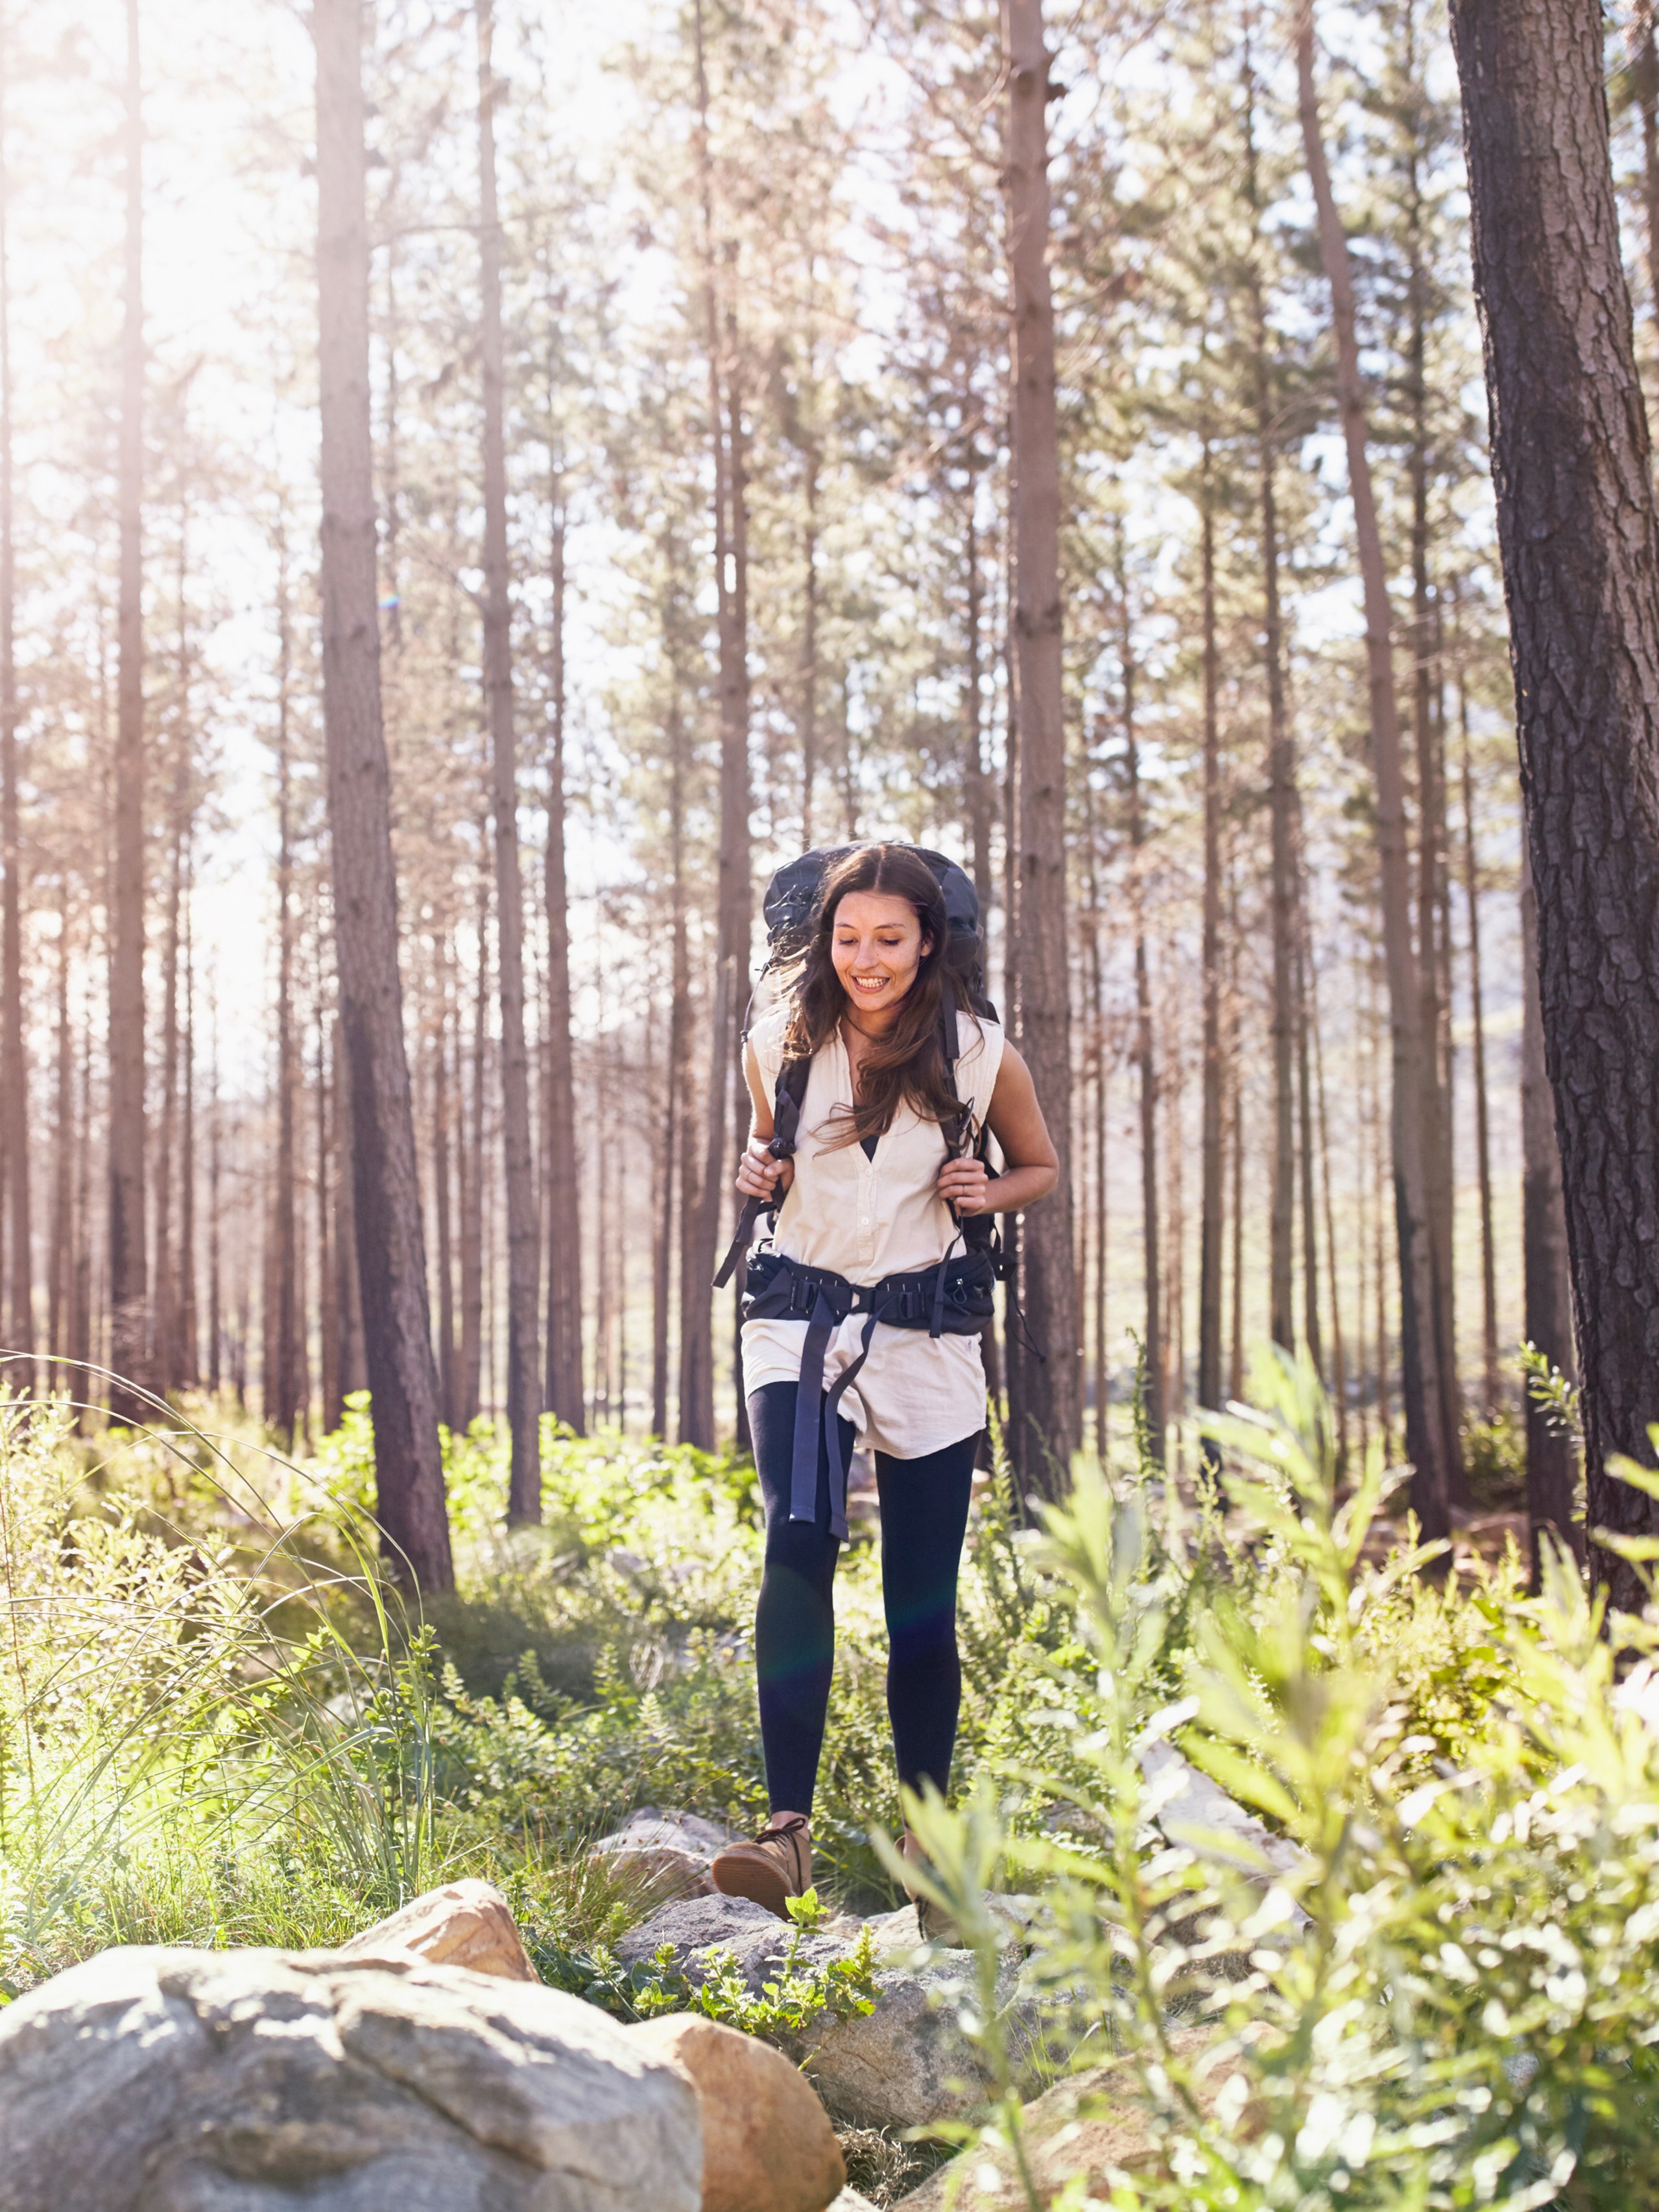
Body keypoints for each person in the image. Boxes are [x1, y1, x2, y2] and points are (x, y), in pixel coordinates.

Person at [710, 842, 1059, 1918]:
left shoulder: (979, 1054)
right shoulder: (776, 1042)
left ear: (927, 942)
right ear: (821, 941)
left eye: (888, 939)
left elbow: (1039, 1167)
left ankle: (927, 1843)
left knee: (921, 1599)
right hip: (796, 1323)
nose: (865, 960)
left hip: (926, 1336)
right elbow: (764, 1159)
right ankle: (784, 1835)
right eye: (846, 937)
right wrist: (752, 1169)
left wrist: (987, 1190)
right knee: (796, 1543)